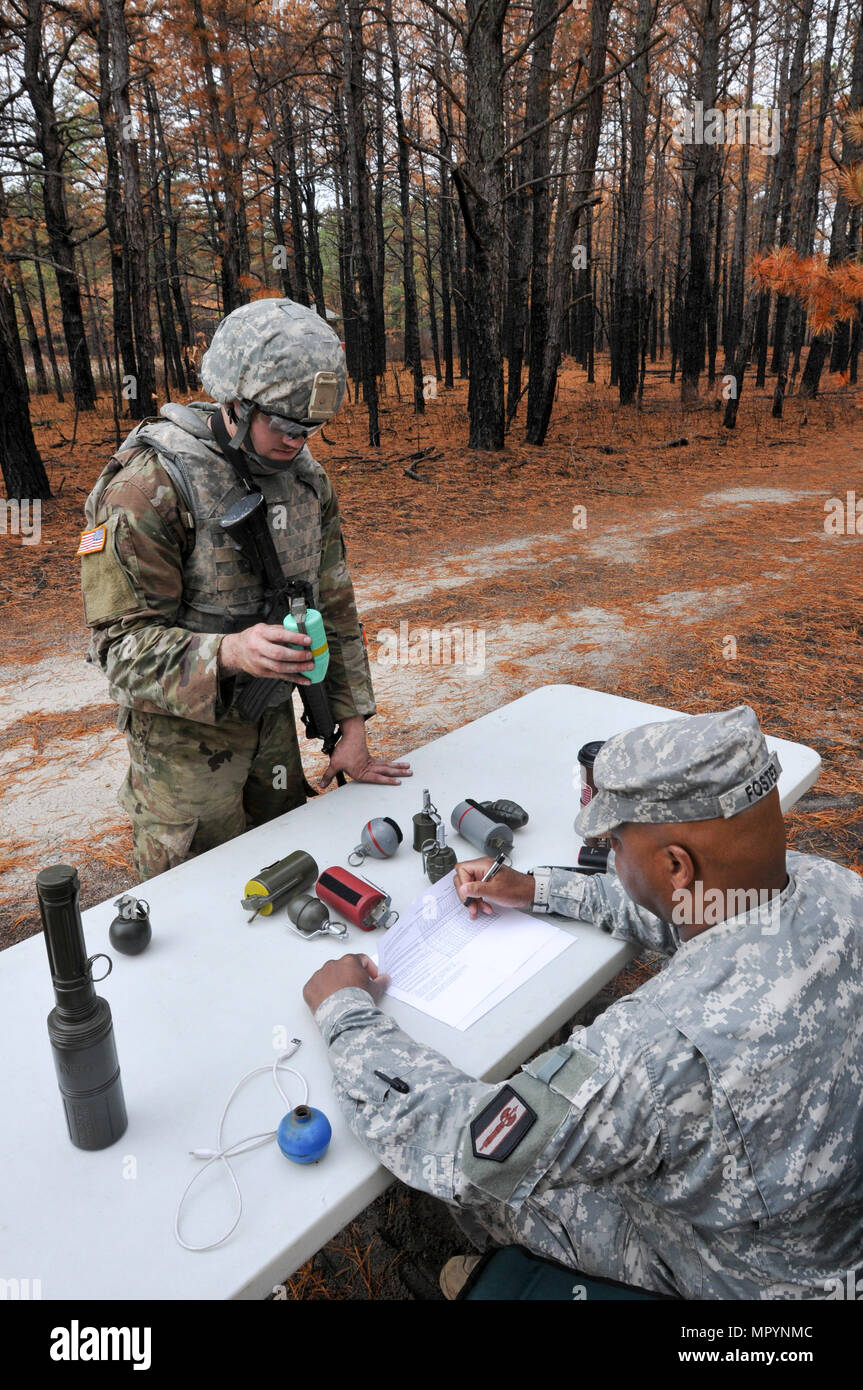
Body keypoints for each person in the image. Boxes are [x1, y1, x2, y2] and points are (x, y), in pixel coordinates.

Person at [302, 704, 863, 1300]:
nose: (610, 855)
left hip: (742, 1280)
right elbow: (696, 908)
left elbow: (464, 1147)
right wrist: (539, 888)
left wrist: (345, 1013)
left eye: (615, 843)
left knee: (512, 1194)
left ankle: (506, 1270)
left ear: (676, 864)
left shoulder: (654, 1051)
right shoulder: (834, 889)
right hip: (832, 1237)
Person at [80, 297, 409, 879]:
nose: (298, 444)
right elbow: (119, 652)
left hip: (274, 736)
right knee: (200, 908)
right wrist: (230, 652)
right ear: (235, 403)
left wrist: (352, 725)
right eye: (285, 426)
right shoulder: (149, 488)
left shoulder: (305, 480)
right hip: (187, 763)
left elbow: (333, 604)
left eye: (312, 429)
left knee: (289, 881)